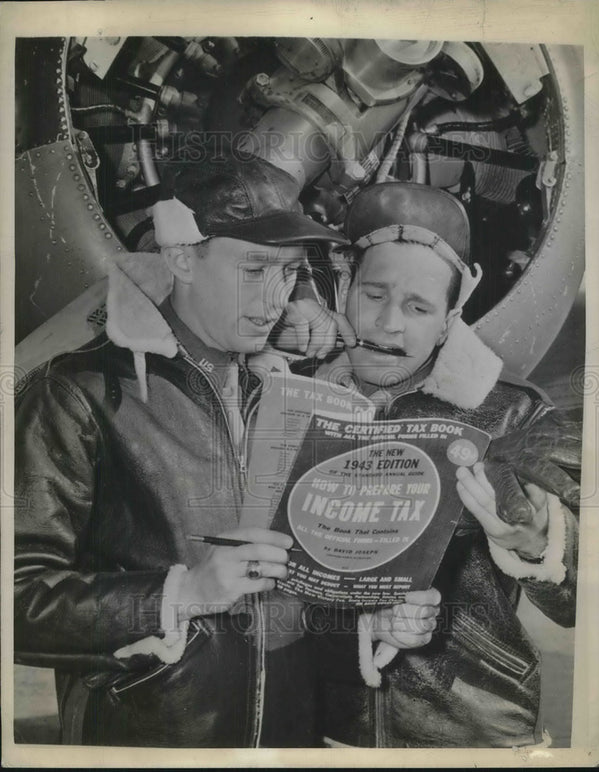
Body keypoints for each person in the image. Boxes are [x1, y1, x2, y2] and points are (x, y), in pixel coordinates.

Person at [13, 153, 353, 747]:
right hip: (145, 743)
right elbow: (16, 597)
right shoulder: (79, 393)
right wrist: (183, 594)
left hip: (286, 742)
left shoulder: (288, 394)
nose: (277, 299)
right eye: (254, 269)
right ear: (180, 258)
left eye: (290, 273)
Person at [308, 182, 579, 748]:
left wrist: (537, 544)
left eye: (418, 307)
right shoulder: (289, 402)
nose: (388, 325)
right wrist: (357, 628)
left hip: (474, 733)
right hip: (319, 727)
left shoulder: (512, 414)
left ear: (452, 315)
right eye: (374, 294)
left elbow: (581, 604)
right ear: (342, 286)